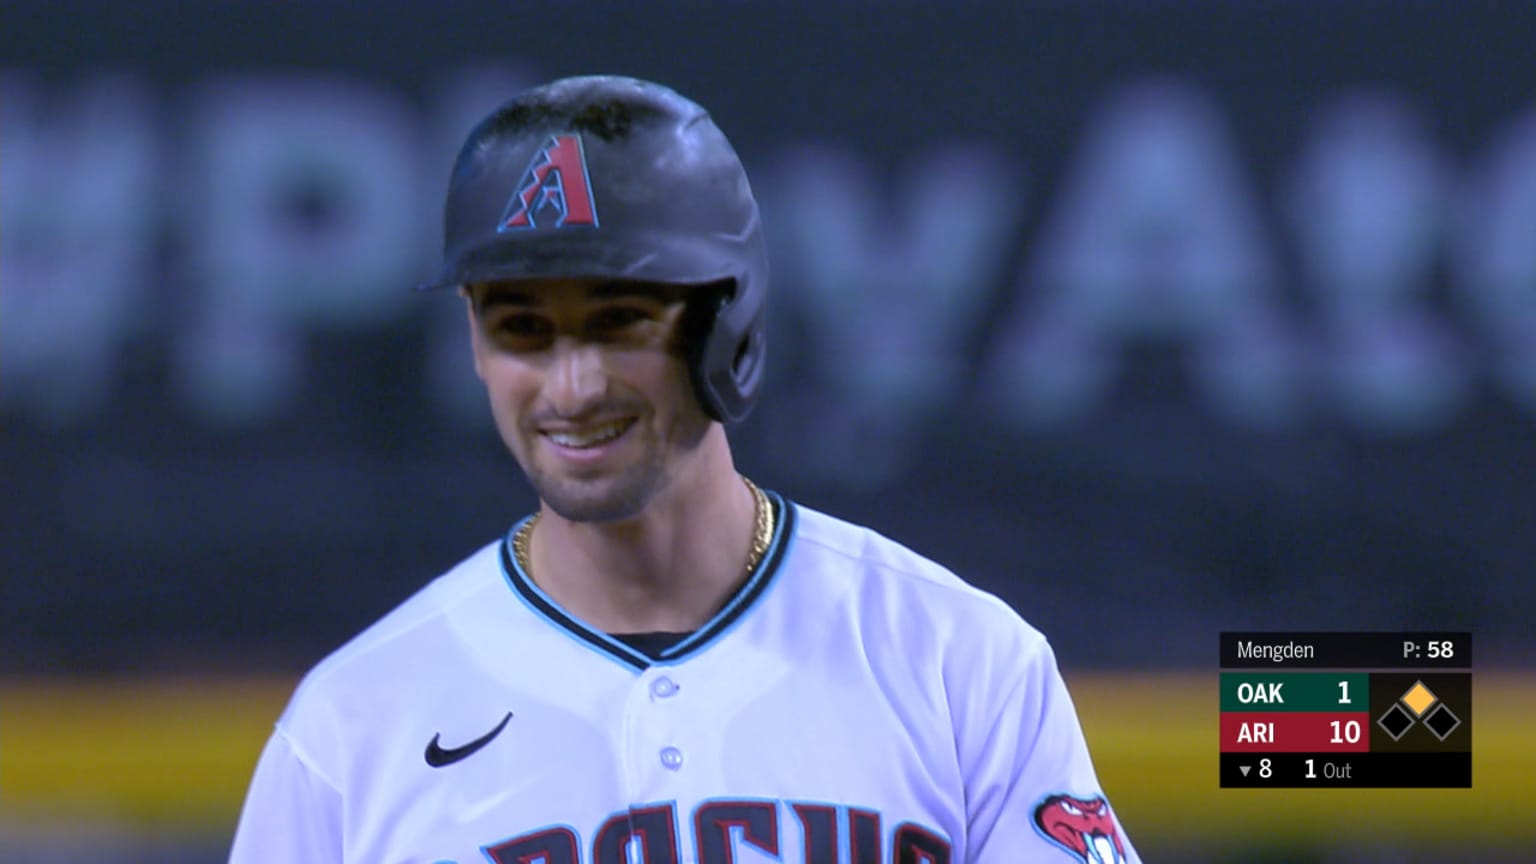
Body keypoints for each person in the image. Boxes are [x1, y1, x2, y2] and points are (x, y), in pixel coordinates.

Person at [228, 74, 1141, 864]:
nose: (573, 386)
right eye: (523, 331)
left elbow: (1283, 729)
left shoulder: (958, 663)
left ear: (726, 320)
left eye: (619, 319)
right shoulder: (351, 728)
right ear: (473, 339)